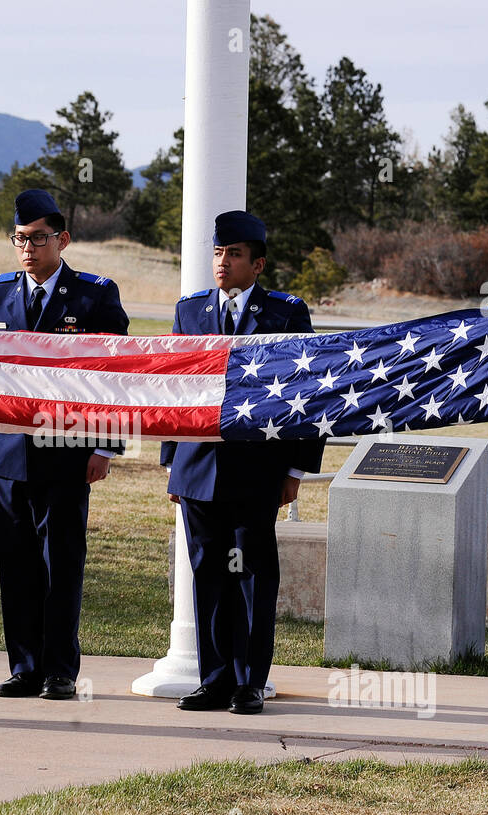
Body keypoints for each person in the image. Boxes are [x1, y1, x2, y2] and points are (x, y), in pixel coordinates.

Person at [161, 211, 325, 715]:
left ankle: (249, 681)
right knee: (207, 571)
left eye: (233, 254)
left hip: (258, 469)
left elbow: (309, 395)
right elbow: (171, 389)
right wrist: (172, 464)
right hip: (198, 467)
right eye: (217, 253)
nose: (222, 263)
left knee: (252, 572)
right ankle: (213, 680)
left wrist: (297, 470)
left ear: (258, 264)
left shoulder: (285, 314)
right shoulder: (190, 312)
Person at [0, 189, 128, 700]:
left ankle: (60, 669)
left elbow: (117, 377)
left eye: (38, 239)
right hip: (8, 453)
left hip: (68, 452)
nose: (27, 249)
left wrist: (105, 448)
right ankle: (24, 666)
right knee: (15, 562)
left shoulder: (94, 296)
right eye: (20, 239)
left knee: (60, 562)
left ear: (62, 240)